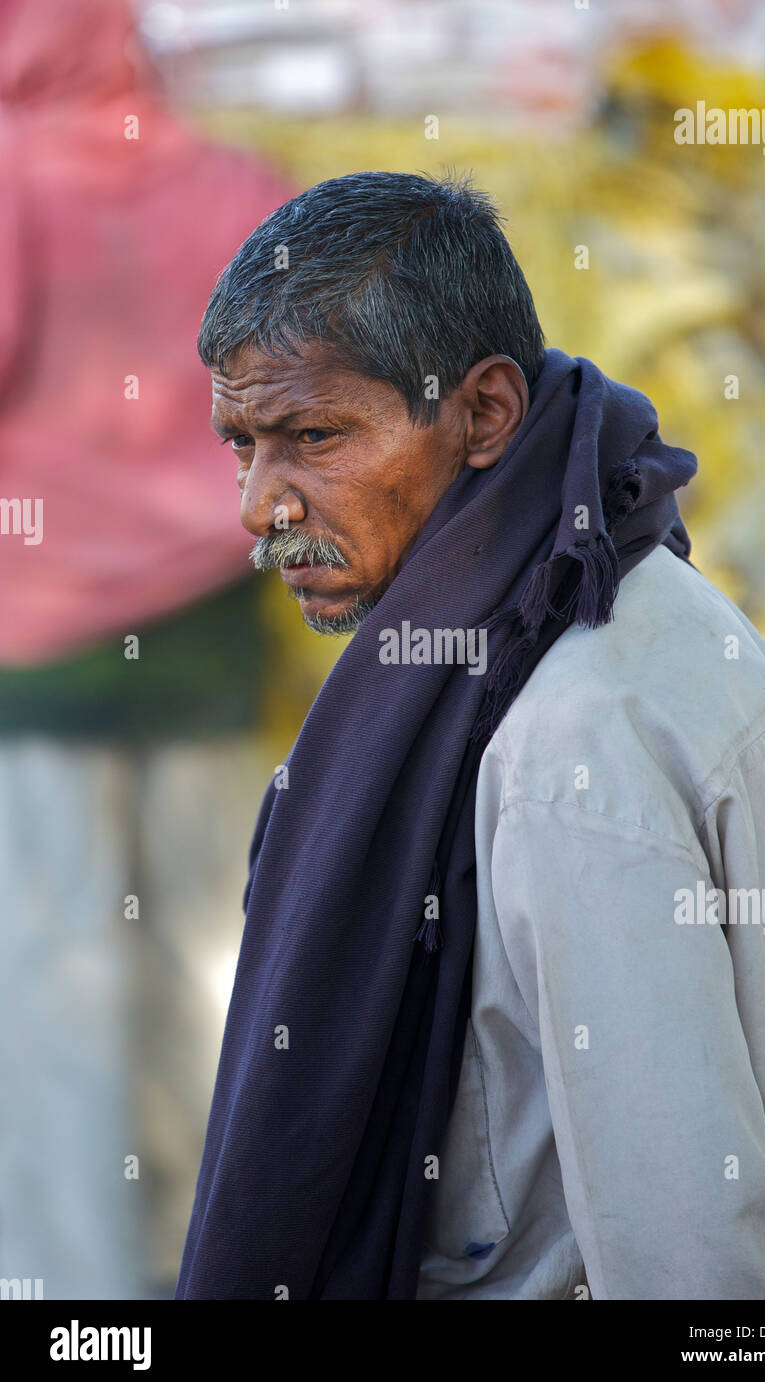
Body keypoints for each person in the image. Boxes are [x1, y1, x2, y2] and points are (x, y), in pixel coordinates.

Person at [175, 170, 765, 1301]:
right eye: (241, 444)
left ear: (484, 412)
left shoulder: (565, 745)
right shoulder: (625, 608)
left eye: (311, 434)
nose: (261, 504)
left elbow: (689, 1249)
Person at [0, 0, 295, 1297]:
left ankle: (80, 1298)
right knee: (213, 962)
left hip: (37, 645)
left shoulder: (9, 178)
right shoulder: (242, 186)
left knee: (58, 989)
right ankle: (222, 1266)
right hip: (211, 630)